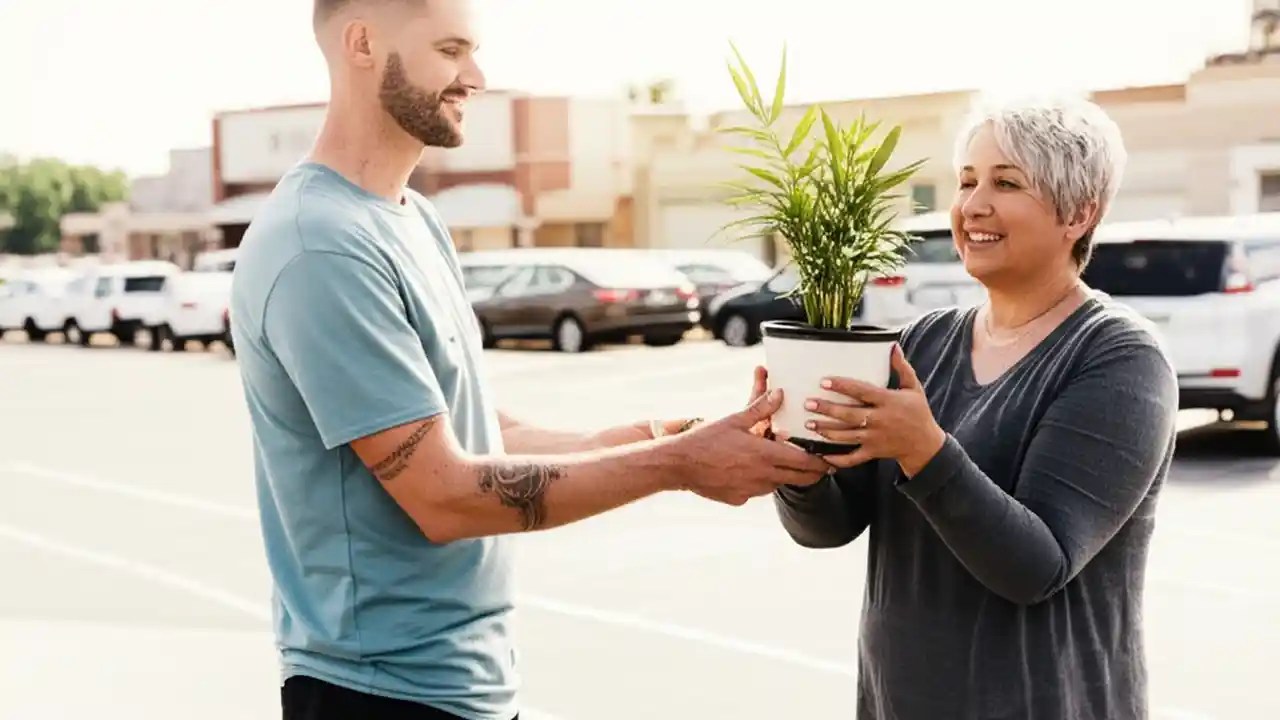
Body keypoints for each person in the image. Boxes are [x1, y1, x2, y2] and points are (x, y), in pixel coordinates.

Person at [228, 1, 833, 719]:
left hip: (465, 685)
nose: (475, 76)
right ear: (362, 42)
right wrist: (676, 468)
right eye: (451, 50)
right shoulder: (320, 245)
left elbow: (466, 428)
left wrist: (639, 439)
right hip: (375, 691)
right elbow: (442, 494)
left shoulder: (412, 220)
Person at [771, 96, 1179, 720]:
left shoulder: (1118, 358)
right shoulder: (923, 342)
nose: (972, 205)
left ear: (1080, 212)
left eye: (1006, 183)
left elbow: (1036, 567)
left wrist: (922, 449)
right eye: (966, 181)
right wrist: (796, 452)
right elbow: (828, 527)